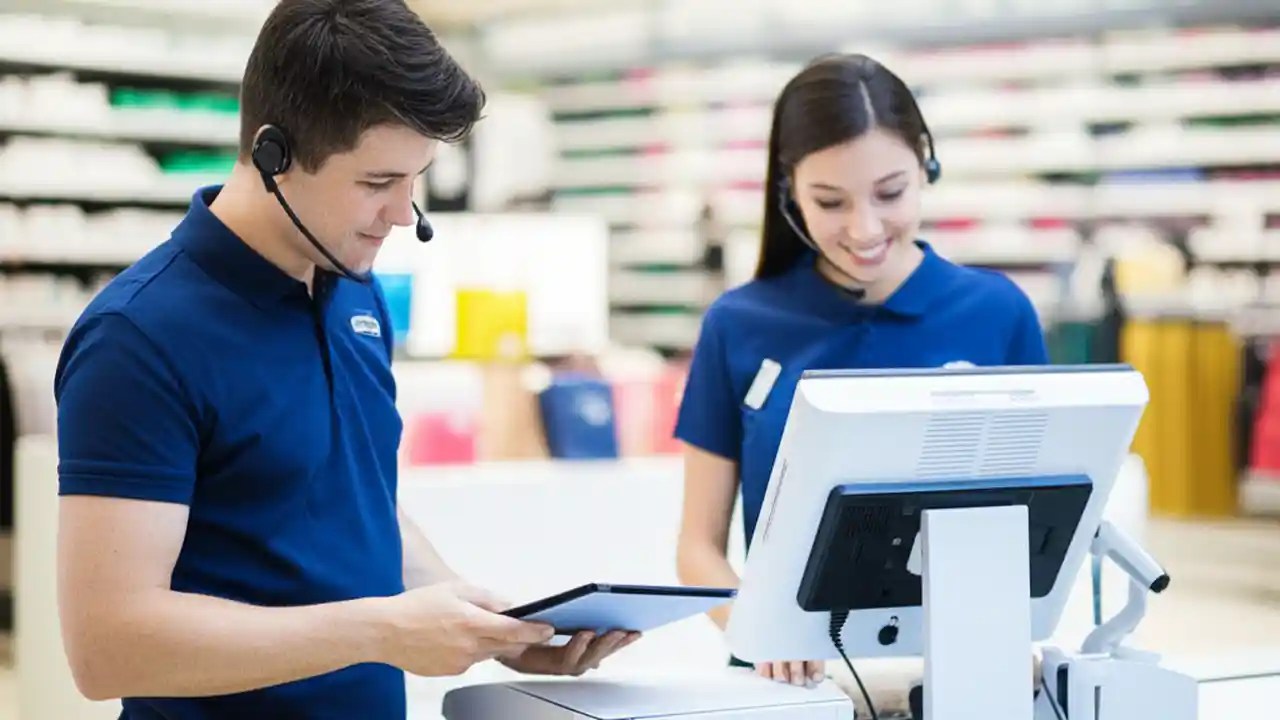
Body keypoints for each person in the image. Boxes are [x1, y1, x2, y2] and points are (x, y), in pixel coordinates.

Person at [53, 2, 635, 718]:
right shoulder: (137, 337)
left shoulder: (355, 294)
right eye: (376, 182)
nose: (403, 214)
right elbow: (107, 645)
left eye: (414, 179)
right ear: (275, 155)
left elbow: (357, 499)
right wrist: (381, 630)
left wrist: (488, 622)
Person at [673, 53, 1049, 688]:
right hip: (787, 684)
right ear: (789, 189)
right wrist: (759, 627)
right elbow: (696, 548)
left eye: (890, 193)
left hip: (962, 671)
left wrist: (1012, 633)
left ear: (927, 163)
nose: (865, 228)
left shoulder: (998, 313)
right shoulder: (738, 324)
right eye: (830, 201)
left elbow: (1043, 524)